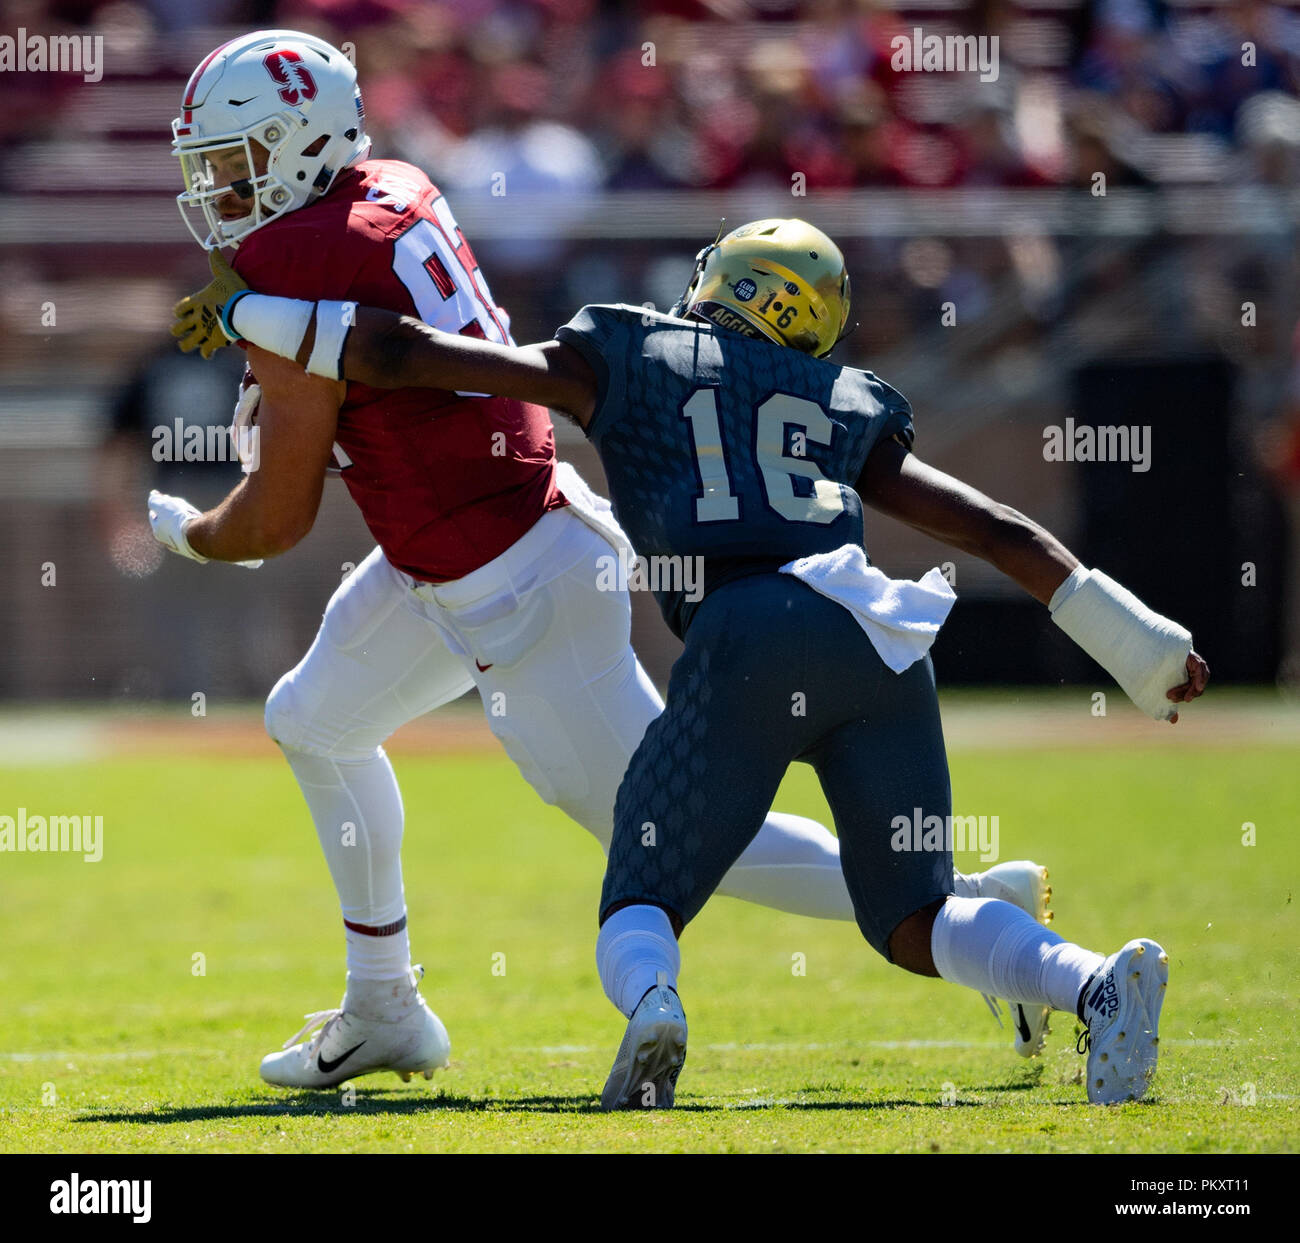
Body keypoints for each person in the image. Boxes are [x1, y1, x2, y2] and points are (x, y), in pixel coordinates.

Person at [152, 31, 1050, 1090]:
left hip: (515, 582)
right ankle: (384, 1003)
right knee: (313, 718)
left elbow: (277, 518)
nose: (217, 188)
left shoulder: (299, 256)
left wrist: (191, 531)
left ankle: (966, 908)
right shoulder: (383, 184)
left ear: (301, 148)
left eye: (237, 160)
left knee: (671, 828)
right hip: (461, 553)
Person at [197, 217, 1209, 1107]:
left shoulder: (630, 351)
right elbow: (996, 529)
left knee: (639, 887)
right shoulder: (842, 395)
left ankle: (654, 1013)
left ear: (722, 282)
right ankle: (1092, 984)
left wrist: (254, 311)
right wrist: (1143, 645)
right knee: (913, 915)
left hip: (752, 631)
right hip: (879, 636)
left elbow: (401, 352)